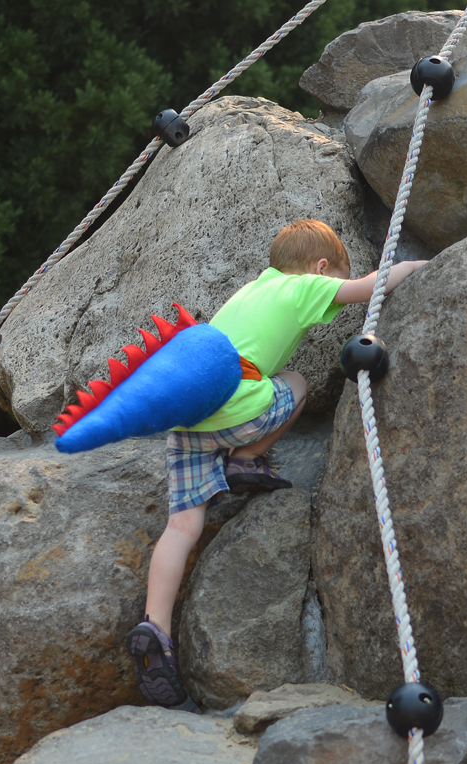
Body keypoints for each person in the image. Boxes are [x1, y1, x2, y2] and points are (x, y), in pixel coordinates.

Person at [126, 219, 427, 713]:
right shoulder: (302, 285)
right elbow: (370, 286)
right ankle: (245, 460)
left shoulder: (251, 290)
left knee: (181, 526)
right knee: (297, 383)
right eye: (332, 277)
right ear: (320, 267)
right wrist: (419, 266)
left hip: (187, 415)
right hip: (236, 405)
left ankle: (154, 628)